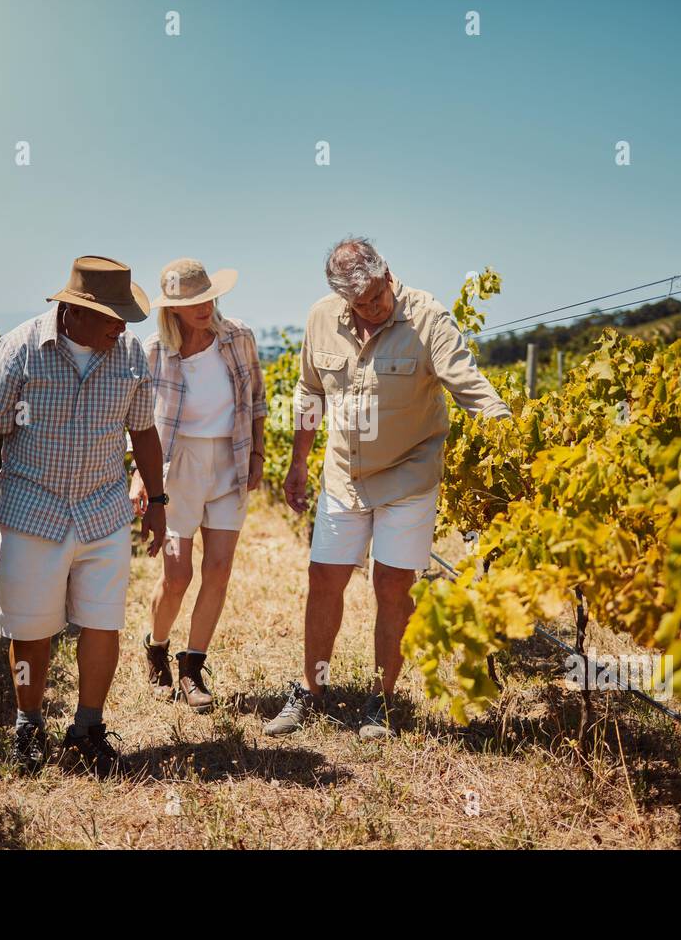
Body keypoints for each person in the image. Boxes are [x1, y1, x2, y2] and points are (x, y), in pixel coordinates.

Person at [265, 238, 511, 739]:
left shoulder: (428, 319)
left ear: (387, 273)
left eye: (378, 295)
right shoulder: (321, 318)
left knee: (392, 586)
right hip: (343, 473)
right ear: (341, 298)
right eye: (361, 304)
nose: (374, 308)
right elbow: (309, 389)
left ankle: (382, 701)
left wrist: (508, 436)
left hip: (408, 473)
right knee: (323, 579)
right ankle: (312, 691)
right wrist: (297, 460)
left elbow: (469, 385)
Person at [0, 256, 167, 778]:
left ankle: (87, 728)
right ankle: (28, 724)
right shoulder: (21, 350)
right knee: (30, 629)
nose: (122, 327)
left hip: (102, 511)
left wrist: (159, 503)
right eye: (114, 317)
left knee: (103, 623)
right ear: (76, 312)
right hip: (33, 511)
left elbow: (143, 431)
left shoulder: (128, 357)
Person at [132, 258, 267, 711]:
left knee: (219, 569)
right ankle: (156, 646)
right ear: (172, 308)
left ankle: (192, 668)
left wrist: (259, 454)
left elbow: (258, 400)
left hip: (229, 458)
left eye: (208, 296)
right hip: (179, 464)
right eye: (192, 302)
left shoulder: (238, 337)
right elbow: (136, 421)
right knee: (177, 576)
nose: (205, 307)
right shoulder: (154, 350)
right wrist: (140, 475)